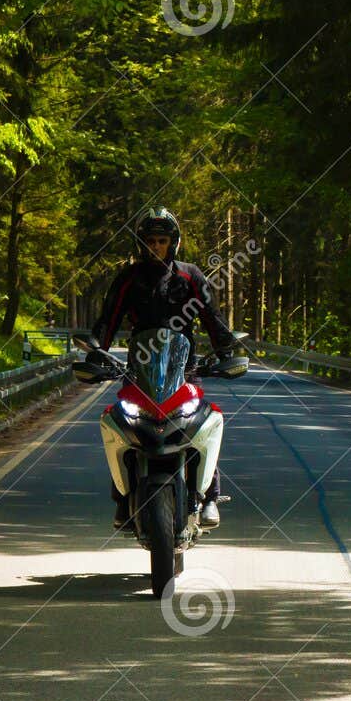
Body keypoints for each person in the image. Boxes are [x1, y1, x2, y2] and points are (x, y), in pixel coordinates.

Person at [89, 207, 238, 530]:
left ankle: (210, 495)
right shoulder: (128, 279)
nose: (156, 246)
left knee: (201, 423)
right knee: (122, 424)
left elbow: (211, 316)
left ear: (174, 243)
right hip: (140, 370)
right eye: (151, 240)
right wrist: (96, 352)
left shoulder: (190, 276)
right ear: (141, 244)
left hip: (182, 369)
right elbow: (109, 318)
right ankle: (122, 498)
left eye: (162, 240)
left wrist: (226, 349)